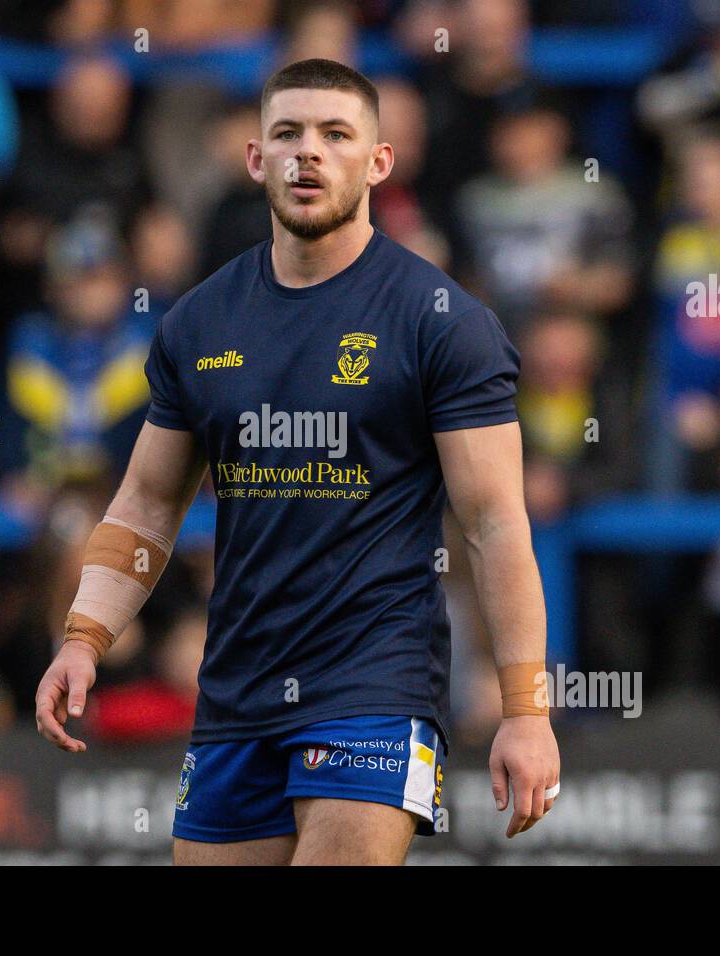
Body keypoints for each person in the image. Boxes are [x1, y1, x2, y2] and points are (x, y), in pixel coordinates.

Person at [34, 59, 559, 865]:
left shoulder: (443, 322)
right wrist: (84, 637)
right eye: (288, 134)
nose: (308, 154)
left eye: (336, 135)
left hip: (374, 685)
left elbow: (494, 522)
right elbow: (144, 503)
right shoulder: (199, 322)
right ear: (255, 159)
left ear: (379, 162)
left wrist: (526, 708)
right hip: (237, 689)